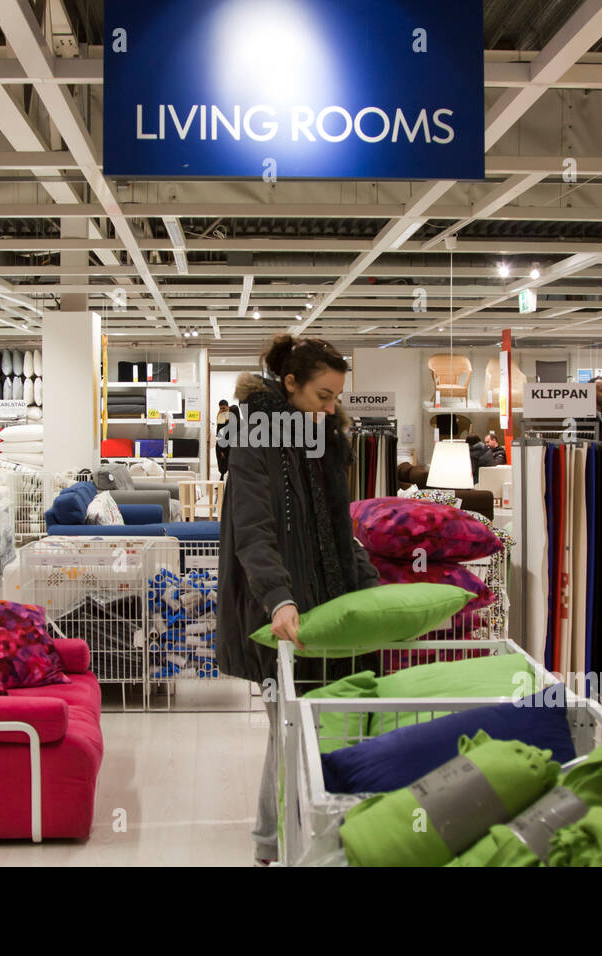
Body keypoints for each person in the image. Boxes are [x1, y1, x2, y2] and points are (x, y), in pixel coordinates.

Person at [215, 334, 379, 865]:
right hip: (274, 611)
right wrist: (280, 598)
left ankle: (279, 839)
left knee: (303, 727)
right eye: (323, 396)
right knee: (289, 727)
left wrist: (368, 584)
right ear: (290, 384)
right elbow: (253, 533)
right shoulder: (253, 438)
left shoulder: (326, 441)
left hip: (325, 608)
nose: (332, 408)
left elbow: (337, 526)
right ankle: (279, 843)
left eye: (336, 398)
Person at [214, 399, 231, 479]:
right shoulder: (220, 416)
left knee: (229, 464)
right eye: (220, 408)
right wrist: (221, 449)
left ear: (228, 407)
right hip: (221, 443)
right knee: (222, 464)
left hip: (229, 443)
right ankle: (221, 480)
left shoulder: (231, 417)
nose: (222, 410)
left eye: (223, 408)